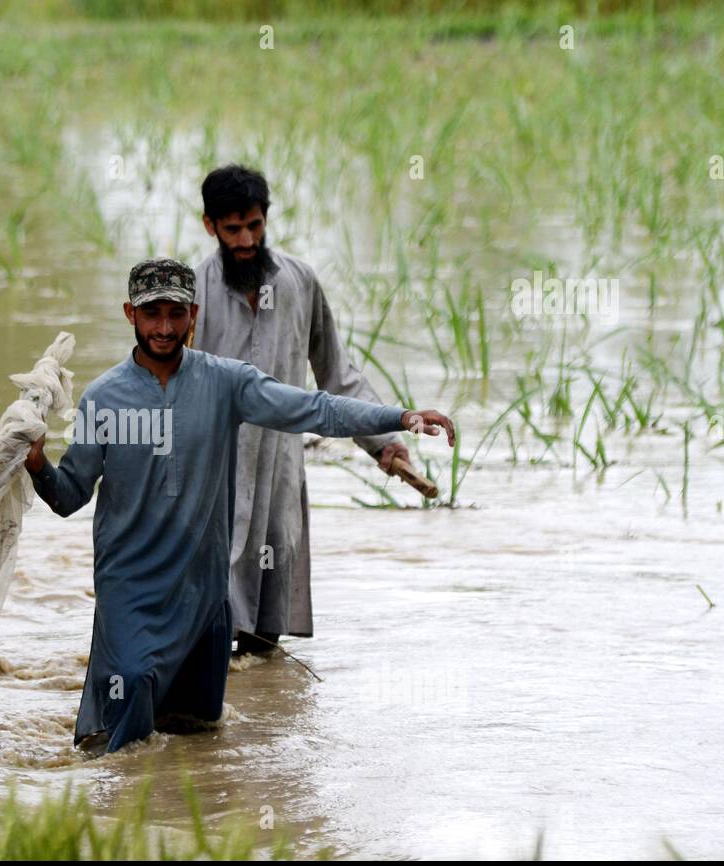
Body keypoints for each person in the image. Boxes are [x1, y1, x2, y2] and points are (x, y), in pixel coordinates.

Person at [25, 258, 454, 754]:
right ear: (130, 315)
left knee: (196, 730)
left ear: (195, 316)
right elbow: (67, 497)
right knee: (131, 701)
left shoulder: (227, 383)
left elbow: (316, 408)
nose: (164, 327)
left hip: (203, 589)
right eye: (152, 314)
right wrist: (38, 464)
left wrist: (399, 417)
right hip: (129, 589)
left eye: (176, 313)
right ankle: (113, 809)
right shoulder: (103, 400)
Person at [193, 164, 409, 655]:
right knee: (207, 611)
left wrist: (384, 440)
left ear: (266, 219)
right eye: (233, 229)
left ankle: (260, 717)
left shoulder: (299, 282)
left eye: (254, 225)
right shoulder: (193, 293)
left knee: (266, 626)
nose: (246, 239)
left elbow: (336, 372)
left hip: (279, 465)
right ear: (210, 227)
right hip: (215, 464)